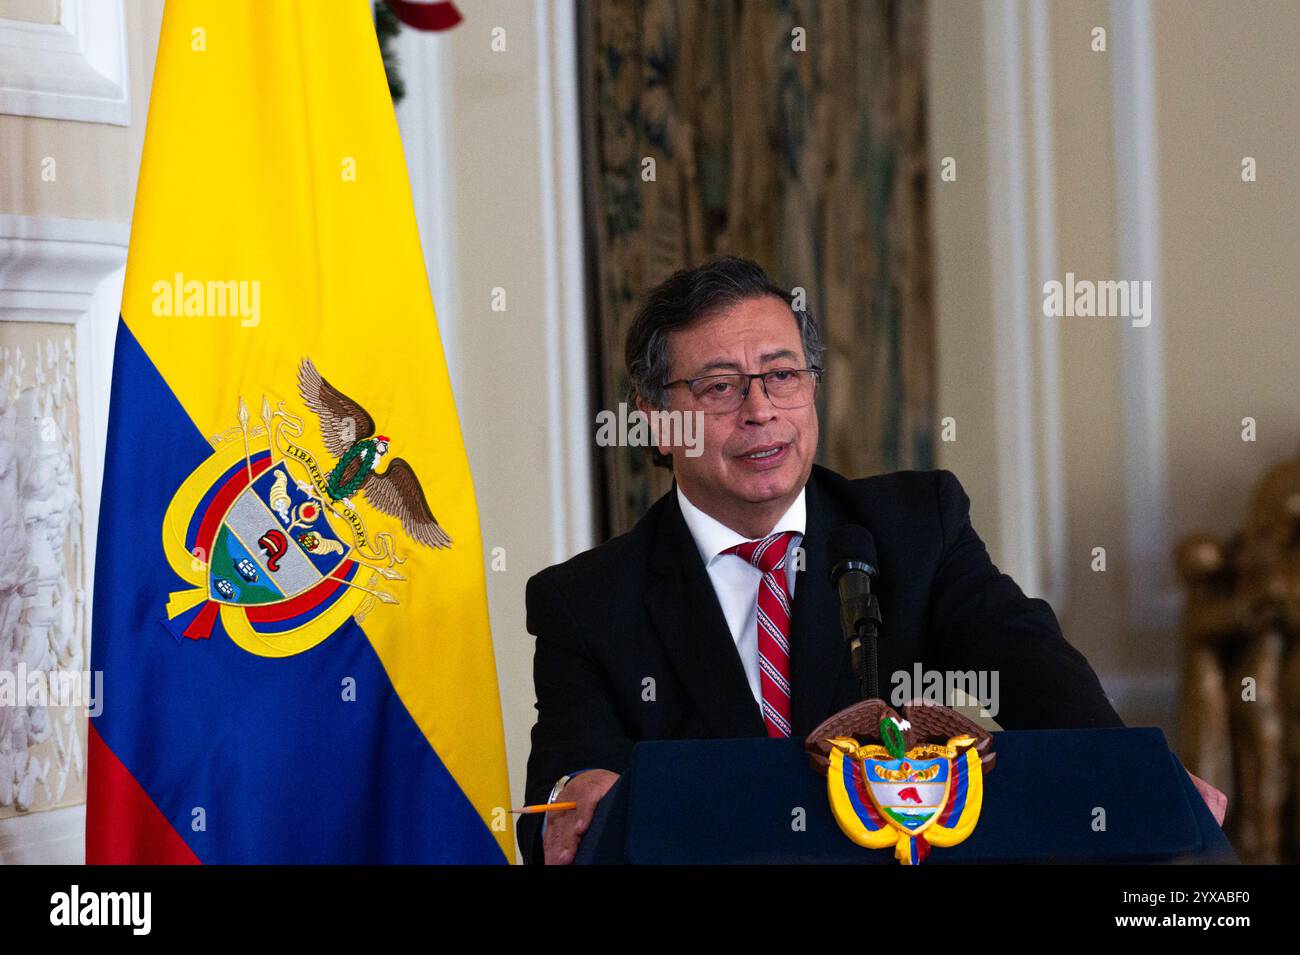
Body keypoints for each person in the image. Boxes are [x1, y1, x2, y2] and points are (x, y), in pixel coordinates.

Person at [518, 256, 1213, 866]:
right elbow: (562, 785)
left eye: (782, 375)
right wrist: (576, 790)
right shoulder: (586, 601)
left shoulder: (914, 528)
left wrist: (1134, 774)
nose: (761, 410)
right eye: (720, 387)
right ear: (654, 419)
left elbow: (1031, 665)